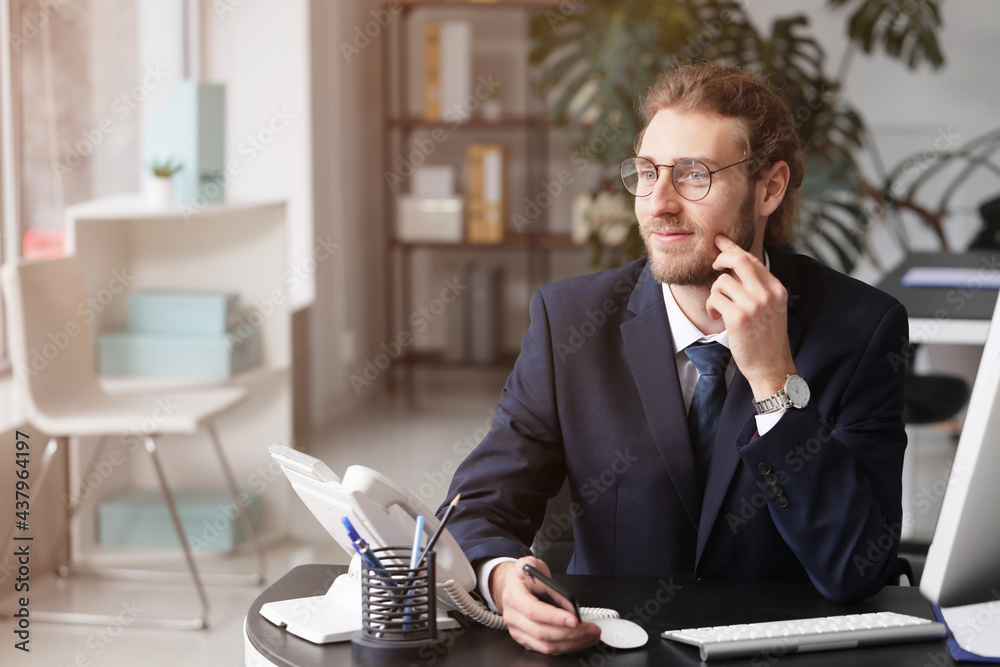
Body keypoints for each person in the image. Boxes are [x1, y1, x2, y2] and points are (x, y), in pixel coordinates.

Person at [438, 62, 908, 655]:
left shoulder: (860, 330)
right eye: (647, 172)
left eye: (693, 176)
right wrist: (505, 580)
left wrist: (773, 379)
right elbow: (475, 511)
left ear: (769, 188)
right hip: (613, 651)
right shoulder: (570, 323)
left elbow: (856, 567)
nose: (658, 203)